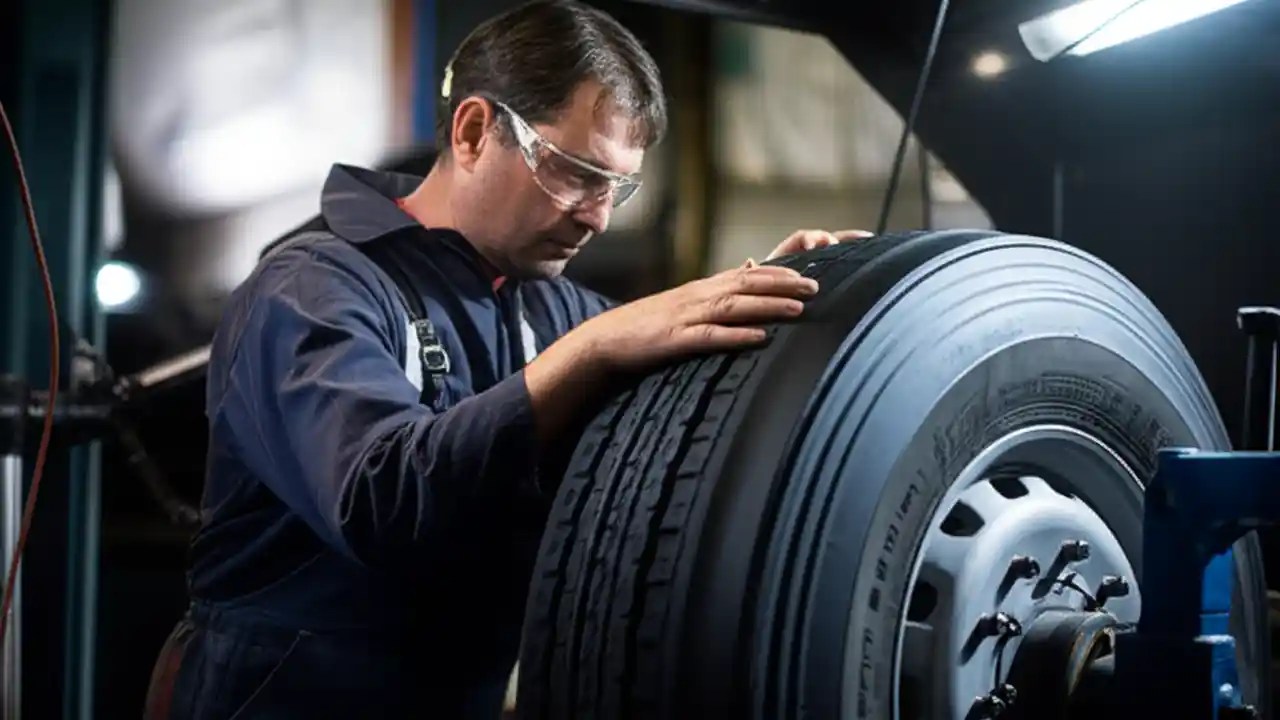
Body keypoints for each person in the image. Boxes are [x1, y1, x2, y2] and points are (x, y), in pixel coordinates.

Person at [143, 1, 868, 717]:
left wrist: (770, 302)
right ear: (474, 131)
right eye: (578, 172)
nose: (598, 215)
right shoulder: (313, 290)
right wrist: (590, 351)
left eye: (617, 186)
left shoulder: (549, 308)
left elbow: (666, 421)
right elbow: (380, 503)